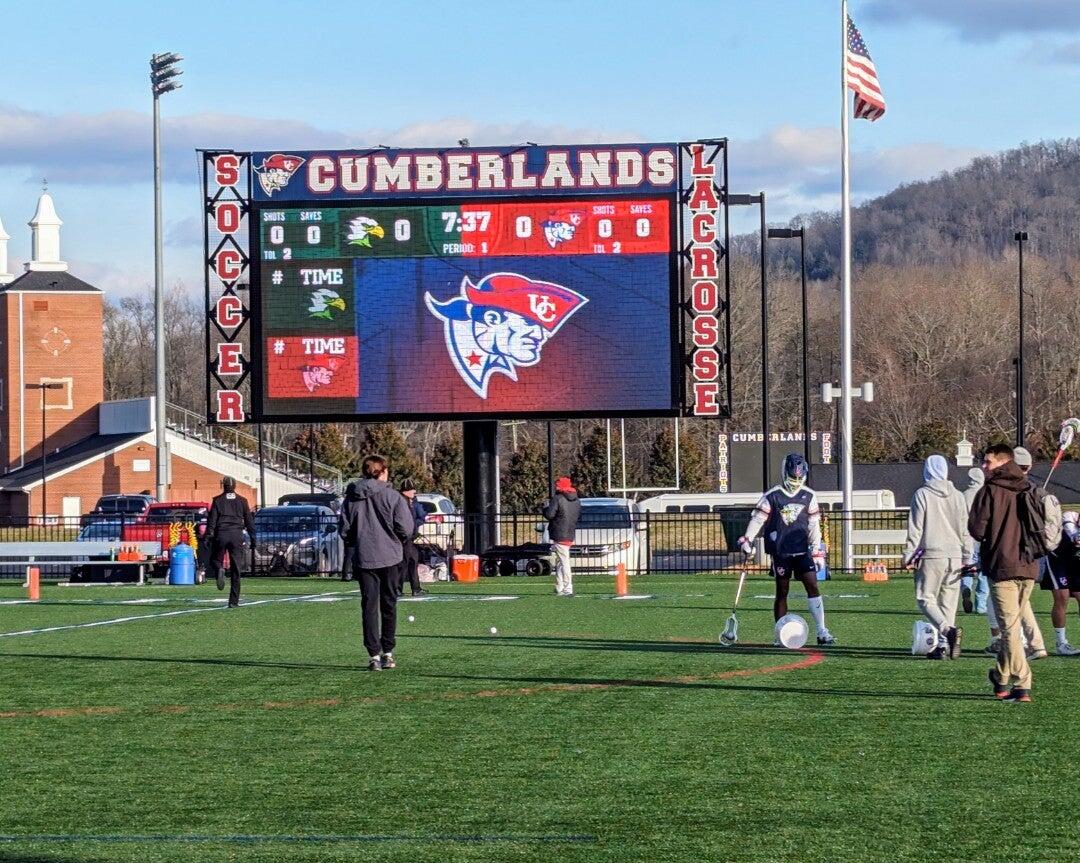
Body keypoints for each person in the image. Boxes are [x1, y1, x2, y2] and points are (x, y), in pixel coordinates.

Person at [738, 453, 836, 646]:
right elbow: (758, 519)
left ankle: (822, 630)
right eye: (793, 478)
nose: (796, 482)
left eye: (799, 478)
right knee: (782, 591)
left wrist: (817, 551)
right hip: (781, 552)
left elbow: (813, 525)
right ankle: (779, 632)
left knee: (813, 587)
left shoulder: (809, 496)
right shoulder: (773, 496)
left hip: (802, 551)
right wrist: (747, 539)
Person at [968, 443, 1038, 703]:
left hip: (1002, 565)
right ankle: (1000, 677)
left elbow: (976, 529)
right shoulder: (1028, 487)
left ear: (1002, 462)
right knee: (1012, 625)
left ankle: (1023, 684)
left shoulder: (990, 490)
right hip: (1029, 565)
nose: (984, 466)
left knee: (1009, 629)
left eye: (988, 462)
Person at [341, 455, 414, 671]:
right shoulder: (393, 496)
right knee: (389, 604)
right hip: (390, 556)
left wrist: (358, 540)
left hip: (364, 557)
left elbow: (345, 529)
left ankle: (373, 654)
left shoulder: (352, 497)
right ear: (382, 471)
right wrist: (396, 539)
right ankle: (388, 652)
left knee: (369, 606)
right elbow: (406, 528)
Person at [904, 455, 973, 659]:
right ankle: (944, 647)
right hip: (955, 554)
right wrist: (968, 556)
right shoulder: (958, 496)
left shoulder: (922, 494)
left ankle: (946, 631)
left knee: (925, 598)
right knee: (948, 602)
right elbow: (965, 529)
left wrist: (908, 555)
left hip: (931, 554)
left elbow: (915, 528)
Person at [1013, 447, 1051, 660]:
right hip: (1033, 556)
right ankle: (1035, 644)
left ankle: (1025, 645)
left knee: (1012, 603)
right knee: (1021, 602)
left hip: (1018, 554)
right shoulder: (1037, 492)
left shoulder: (1020, 492)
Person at [206, 476, 256, 609]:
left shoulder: (217, 501)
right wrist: (253, 538)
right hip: (236, 535)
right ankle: (233, 601)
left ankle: (219, 570)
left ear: (223, 485)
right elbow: (249, 522)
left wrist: (209, 535)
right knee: (236, 569)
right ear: (234, 486)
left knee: (215, 560)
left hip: (221, 534)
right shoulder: (242, 501)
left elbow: (212, 520)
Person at [1043, 510, 1080, 655]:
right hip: (1057, 560)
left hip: (1075, 562)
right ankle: (1061, 643)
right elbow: (1072, 534)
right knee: (1062, 597)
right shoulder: (1069, 516)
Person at [959, 467, 990, 616]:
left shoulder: (963, 496)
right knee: (984, 571)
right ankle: (981, 604)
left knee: (967, 567)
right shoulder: (986, 494)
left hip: (966, 537)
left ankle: (966, 588)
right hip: (983, 537)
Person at [543, 476, 581, 596]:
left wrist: (544, 508)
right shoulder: (576, 500)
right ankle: (559, 586)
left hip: (559, 533)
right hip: (570, 531)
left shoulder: (558, 498)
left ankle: (568, 587)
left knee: (564, 560)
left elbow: (550, 514)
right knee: (561, 560)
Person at [397, 478, 428, 597]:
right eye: (412, 490)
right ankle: (398, 589)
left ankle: (415, 588)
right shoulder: (402, 502)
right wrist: (406, 533)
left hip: (409, 537)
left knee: (412, 561)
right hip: (404, 537)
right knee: (405, 563)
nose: (414, 492)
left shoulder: (409, 502)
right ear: (406, 491)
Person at [339, 481, 357, 582]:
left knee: (349, 554)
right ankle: (347, 574)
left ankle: (348, 573)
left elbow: (344, 518)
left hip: (349, 531)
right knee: (351, 554)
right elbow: (345, 518)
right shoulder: (351, 502)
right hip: (352, 531)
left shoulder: (347, 502)